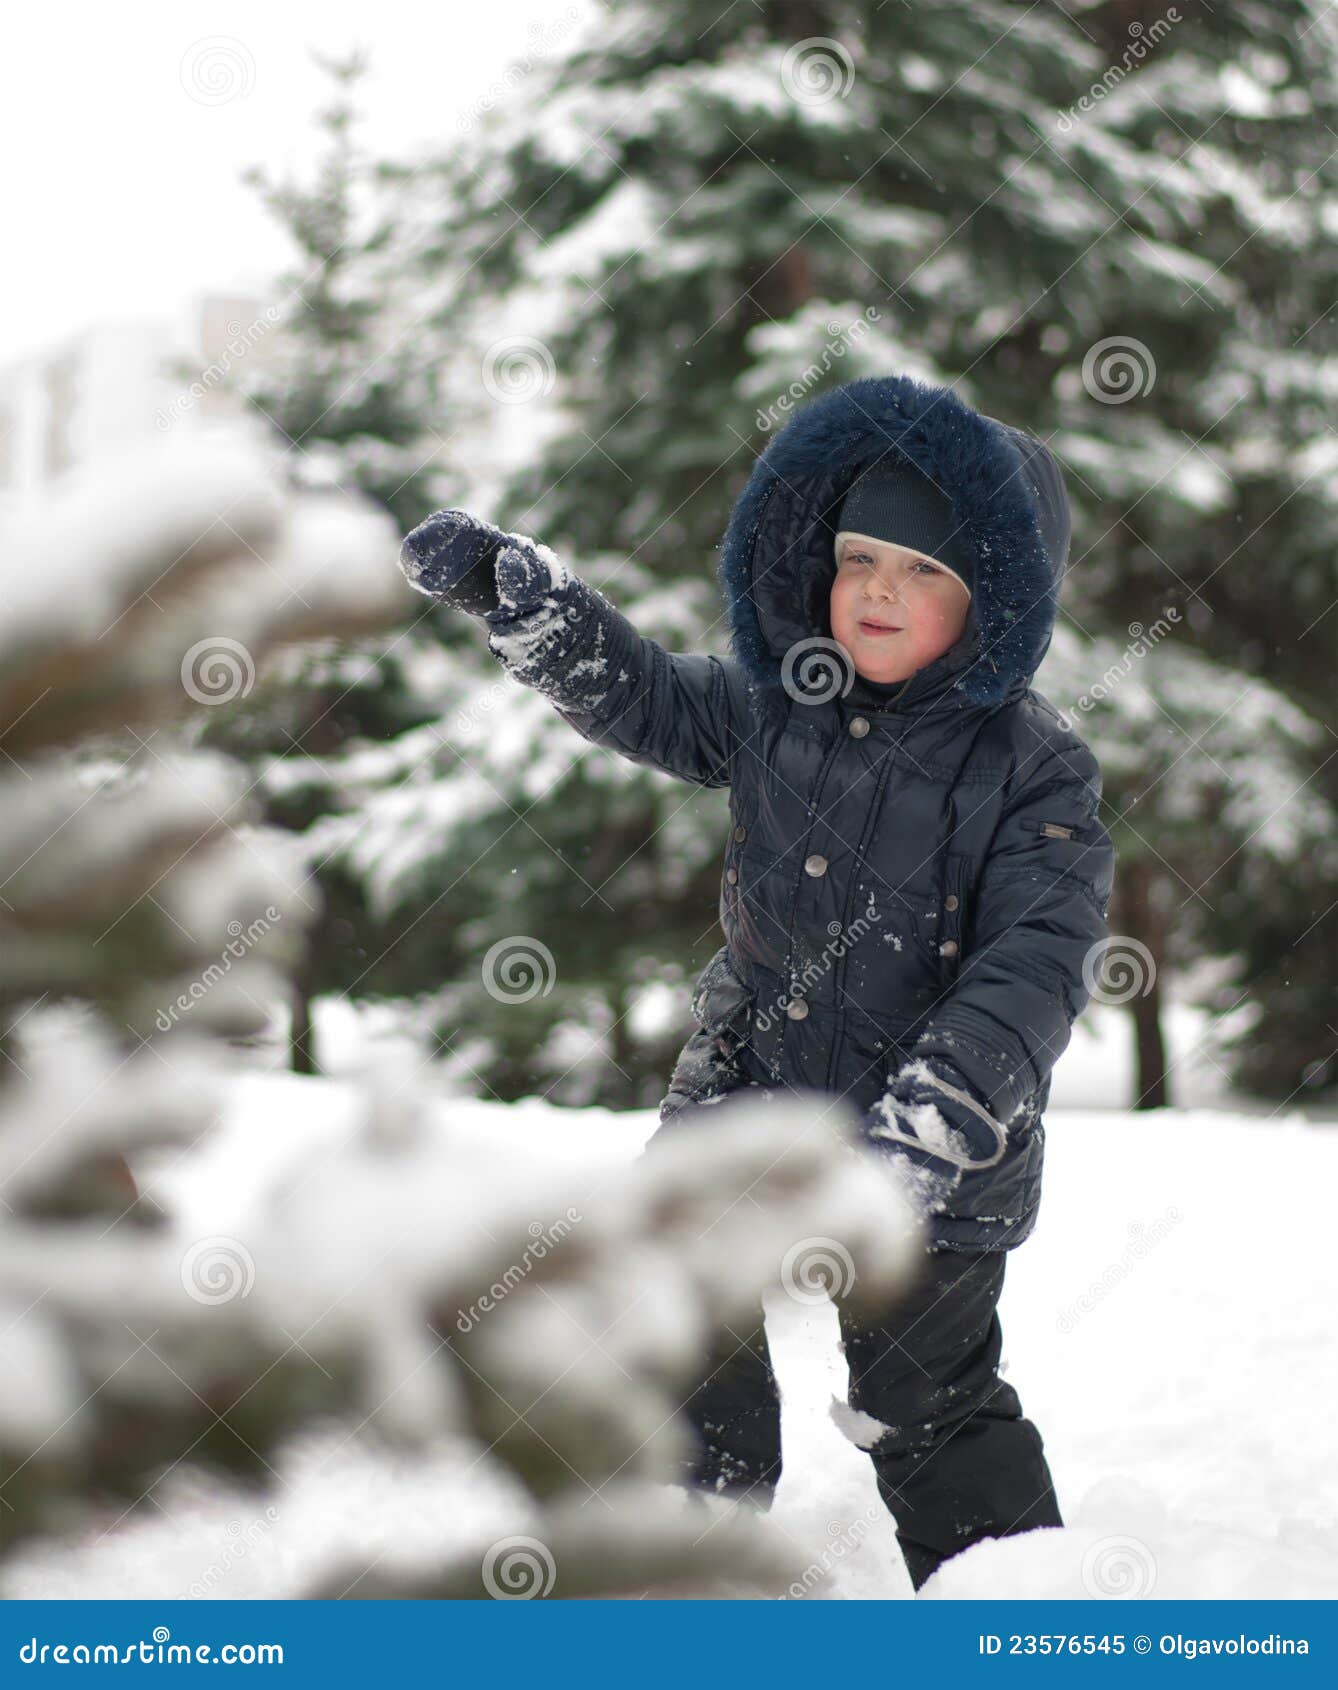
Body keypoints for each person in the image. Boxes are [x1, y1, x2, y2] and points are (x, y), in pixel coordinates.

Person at [398, 370, 1116, 1593]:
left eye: (926, 571)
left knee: (922, 1398)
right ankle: (696, 1539)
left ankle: (1016, 1604)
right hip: (752, 1090)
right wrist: (537, 612)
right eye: (860, 557)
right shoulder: (783, 699)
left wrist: (938, 1114)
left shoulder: (1032, 769)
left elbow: (1034, 964)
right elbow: (650, 697)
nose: (879, 591)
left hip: (933, 1158)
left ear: (994, 594)